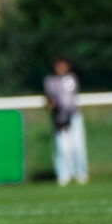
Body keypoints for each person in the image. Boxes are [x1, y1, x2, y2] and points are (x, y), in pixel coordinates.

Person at [44, 55, 89, 186]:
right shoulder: (50, 80)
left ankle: (80, 172)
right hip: (59, 117)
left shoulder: (71, 79)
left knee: (77, 146)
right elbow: (51, 99)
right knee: (63, 147)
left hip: (73, 115)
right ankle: (64, 175)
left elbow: (70, 98)